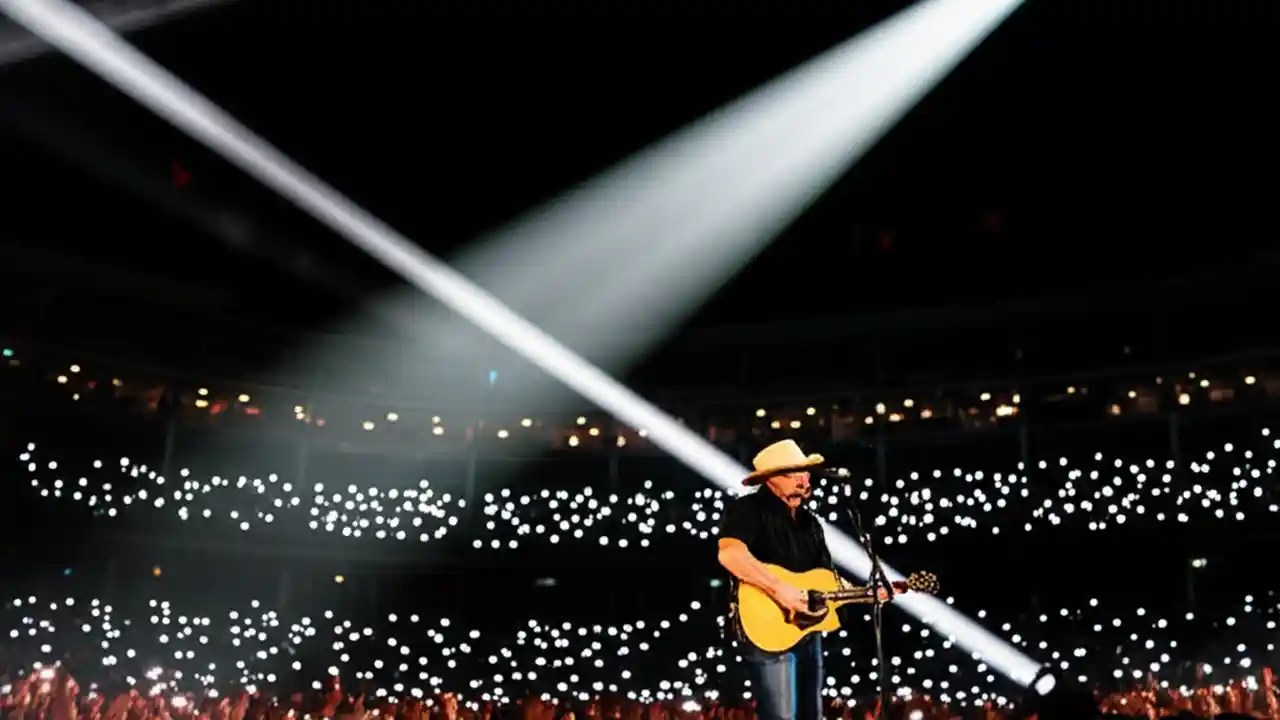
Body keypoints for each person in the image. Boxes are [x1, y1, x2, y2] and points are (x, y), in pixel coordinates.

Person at [716, 439, 884, 720]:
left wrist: (867, 593)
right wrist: (780, 590)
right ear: (770, 479)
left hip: (806, 630)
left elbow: (824, 578)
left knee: (812, 714)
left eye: (805, 472)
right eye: (792, 474)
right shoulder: (748, 509)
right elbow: (730, 555)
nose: (803, 480)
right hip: (766, 627)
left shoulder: (810, 522)